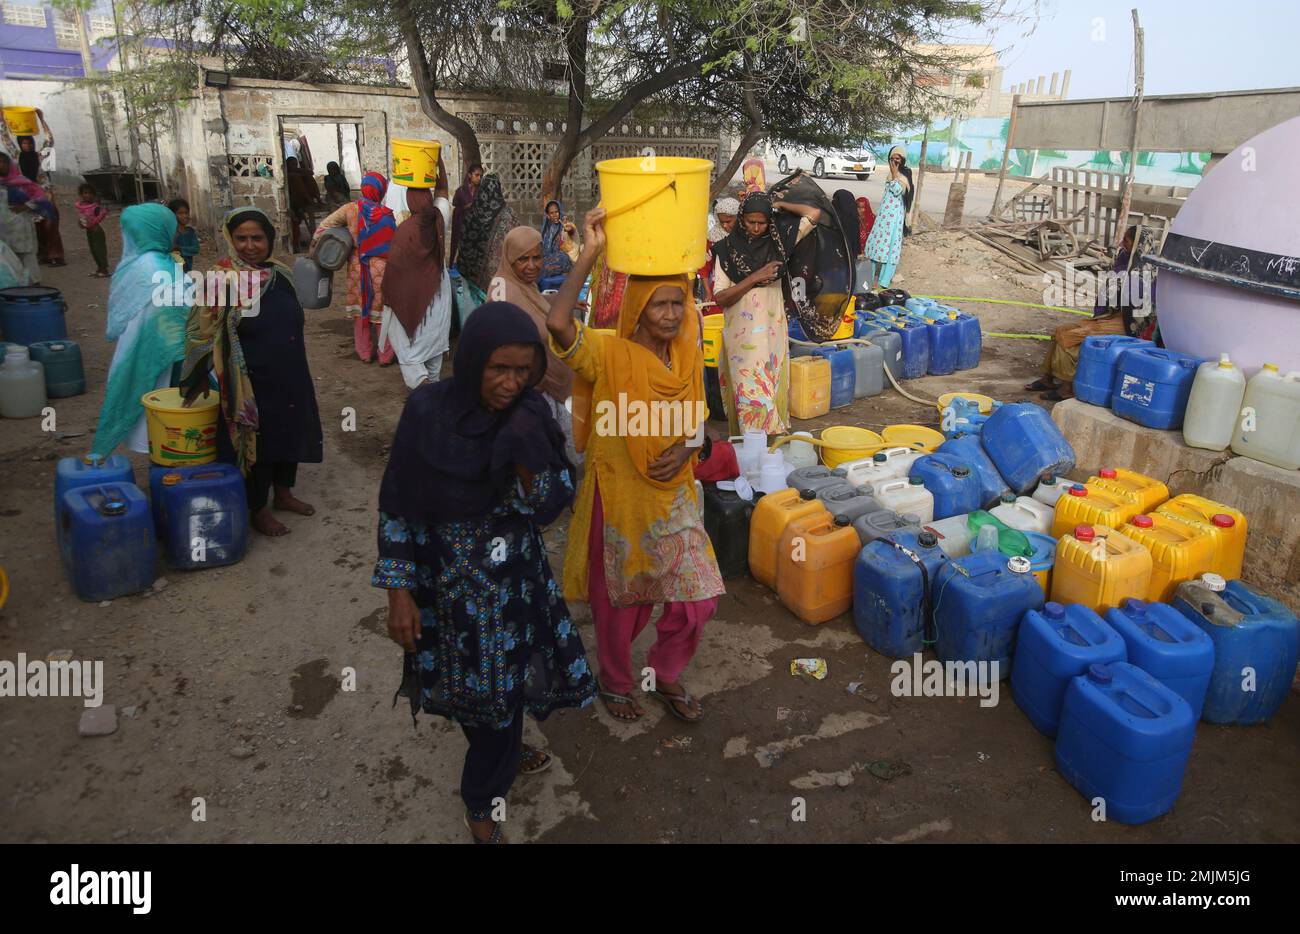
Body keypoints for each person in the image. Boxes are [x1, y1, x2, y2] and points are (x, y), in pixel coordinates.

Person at [376, 301, 596, 844]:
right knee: (470, 691)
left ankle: (482, 799)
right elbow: (397, 505)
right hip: (442, 590)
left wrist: (526, 462)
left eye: (524, 371)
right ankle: (496, 753)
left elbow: (552, 503)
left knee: (500, 693)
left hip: (512, 590)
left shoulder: (532, 416)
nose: (511, 382)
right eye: (499, 368)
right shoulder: (427, 411)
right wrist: (398, 593)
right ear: (472, 360)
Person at [546, 209, 724, 723]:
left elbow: (700, 415)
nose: (670, 314)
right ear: (639, 308)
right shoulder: (607, 353)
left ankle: (666, 672)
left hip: (674, 496)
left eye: (678, 303)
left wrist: (690, 447)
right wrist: (590, 252)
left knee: (697, 601)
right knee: (621, 599)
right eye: (658, 304)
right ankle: (616, 679)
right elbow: (558, 324)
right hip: (620, 494)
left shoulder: (687, 357)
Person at [181, 208, 323, 537]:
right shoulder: (221, 278)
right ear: (231, 239)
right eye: (241, 238)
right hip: (249, 377)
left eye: (257, 238)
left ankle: (284, 492)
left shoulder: (280, 274)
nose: (249, 246)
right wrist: (196, 375)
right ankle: (258, 507)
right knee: (258, 438)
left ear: (269, 240)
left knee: (291, 428)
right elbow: (199, 330)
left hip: (289, 369)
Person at [711, 189, 821, 435]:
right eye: (751, 222)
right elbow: (721, 297)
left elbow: (813, 214)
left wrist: (780, 204)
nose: (757, 227)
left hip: (772, 330)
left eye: (762, 222)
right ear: (742, 219)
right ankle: (757, 441)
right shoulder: (726, 250)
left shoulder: (779, 243)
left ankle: (768, 443)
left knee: (770, 381)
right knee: (749, 386)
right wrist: (755, 277)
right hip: (742, 336)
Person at [90, 204, 188, 458]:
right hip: (160, 356)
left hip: (139, 349)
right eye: (174, 228)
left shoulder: (134, 264)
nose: (177, 232)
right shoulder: (157, 269)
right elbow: (174, 325)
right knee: (166, 421)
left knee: (148, 412)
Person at [492, 226, 578, 466]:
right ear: (509, 259)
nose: (532, 265)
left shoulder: (523, 285)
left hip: (547, 389)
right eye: (523, 259)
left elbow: (534, 303)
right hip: (530, 393)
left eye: (537, 258)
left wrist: (560, 302)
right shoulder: (501, 290)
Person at [1026, 225, 1140, 401]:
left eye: (1126, 240)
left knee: (1068, 337)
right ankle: (1047, 378)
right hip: (1110, 316)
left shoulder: (1146, 271)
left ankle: (1067, 387)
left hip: (1128, 325)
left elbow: (1140, 309)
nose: (1121, 243)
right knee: (1060, 330)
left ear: (1138, 244)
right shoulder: (1124, 259)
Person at [381, 155, 453, 390]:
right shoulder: (439, 219)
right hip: (439, 301)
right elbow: (443, 188)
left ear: (409, 202)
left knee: (413, 362)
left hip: (414, 305)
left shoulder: (404, 231)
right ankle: (434, 401)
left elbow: (394, 276)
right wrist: (437, 159)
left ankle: (429, 401)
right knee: (433, 365)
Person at [315, 171, 397, 364]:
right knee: (383, 312)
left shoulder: (350, 209)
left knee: (361, 312)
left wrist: (318, 244)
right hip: (382, 269)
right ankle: (386, 355)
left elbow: (324, 227)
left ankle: (365, 353)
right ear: (382, 190)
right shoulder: (387, 215)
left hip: (357, 267)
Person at [456, 172, 518, 310]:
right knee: (498, 316)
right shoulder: (508, 215)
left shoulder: (471, 213)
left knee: (473, 316)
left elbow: (463, 243)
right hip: (500, 281)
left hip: (472, 281)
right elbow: (517, 242)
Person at [13, 111, 64, 266]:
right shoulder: (17, 157)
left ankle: (56, 256)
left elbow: (50, 139)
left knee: (50, 226)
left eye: (29, 143)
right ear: (20, 145)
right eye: (24, 143)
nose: (27, 145)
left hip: (45, 197)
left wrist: (41, 119)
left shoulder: (40, 155)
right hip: (28, 198)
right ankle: (43, 255)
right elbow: (5, 138)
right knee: (36, 229)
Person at [862, 146, 908, 290]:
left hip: (894, 219)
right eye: (892, 159)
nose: (894, 162)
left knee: (890, 250)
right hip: (883, 218)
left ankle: (883, 281)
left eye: (898, 159)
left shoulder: (904, 177)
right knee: (876, 245)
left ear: (903, 160)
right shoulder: (891, 175)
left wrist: (895, 174)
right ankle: (869, 279)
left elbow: (897, 190)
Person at [538, 199, 579, 291]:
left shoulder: (566, 225)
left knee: (560, 257)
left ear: (560, 212)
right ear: (548, 215)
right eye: (552, 213)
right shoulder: (546, 230)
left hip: (567, 260)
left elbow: (571, 230)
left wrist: (568, 229)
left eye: (557, 212)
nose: (555, 215)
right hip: (551, 259)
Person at [285, 156, 323, 253]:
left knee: (309, 177)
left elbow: (310, 172)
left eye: (295, 164)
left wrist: (299, 170)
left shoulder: (296, 172)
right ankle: (310, 200)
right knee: (297, 179)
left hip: (301, 199)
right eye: (292, 164)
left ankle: (317, 198)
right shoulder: (286, 174)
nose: (294, 166)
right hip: (293, 200)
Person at [1, 188, 38, 284]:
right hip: (3, 227)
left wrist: (26, 205)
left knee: (26, 255)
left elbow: (39, 197)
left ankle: (33, 282)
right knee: (7, 256)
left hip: (20, 225)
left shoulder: (20, 181)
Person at [449, 162, 483, 268]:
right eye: (476, 175)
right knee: (462, 249)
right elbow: (455, 204)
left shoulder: (481, 191)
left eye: (481, 176)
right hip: (462, 225)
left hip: (476, 227)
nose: (479, 178)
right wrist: (465, 207)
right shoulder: (461, 191)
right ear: (469, 175)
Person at [77, 184, 111, 277]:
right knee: (94, 250)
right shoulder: (82, 206)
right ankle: (99, 268)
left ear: (93, 195)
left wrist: (104, 212)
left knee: (99, 250)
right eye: (85, 193)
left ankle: (104, 270)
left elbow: (98, 218)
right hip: (89, 231)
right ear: (81, 194)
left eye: (89, 193)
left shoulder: (95, 207)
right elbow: (82, 219)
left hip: (96, 231)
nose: (87, 195)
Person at [167, 198, 199, 273]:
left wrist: (179, 249)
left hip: (187, 269)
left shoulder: (190, 232)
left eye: (186, 213)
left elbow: (195, 249)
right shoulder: (170, 232)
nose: (185, 216)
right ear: (172, 214)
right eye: (180, 213)